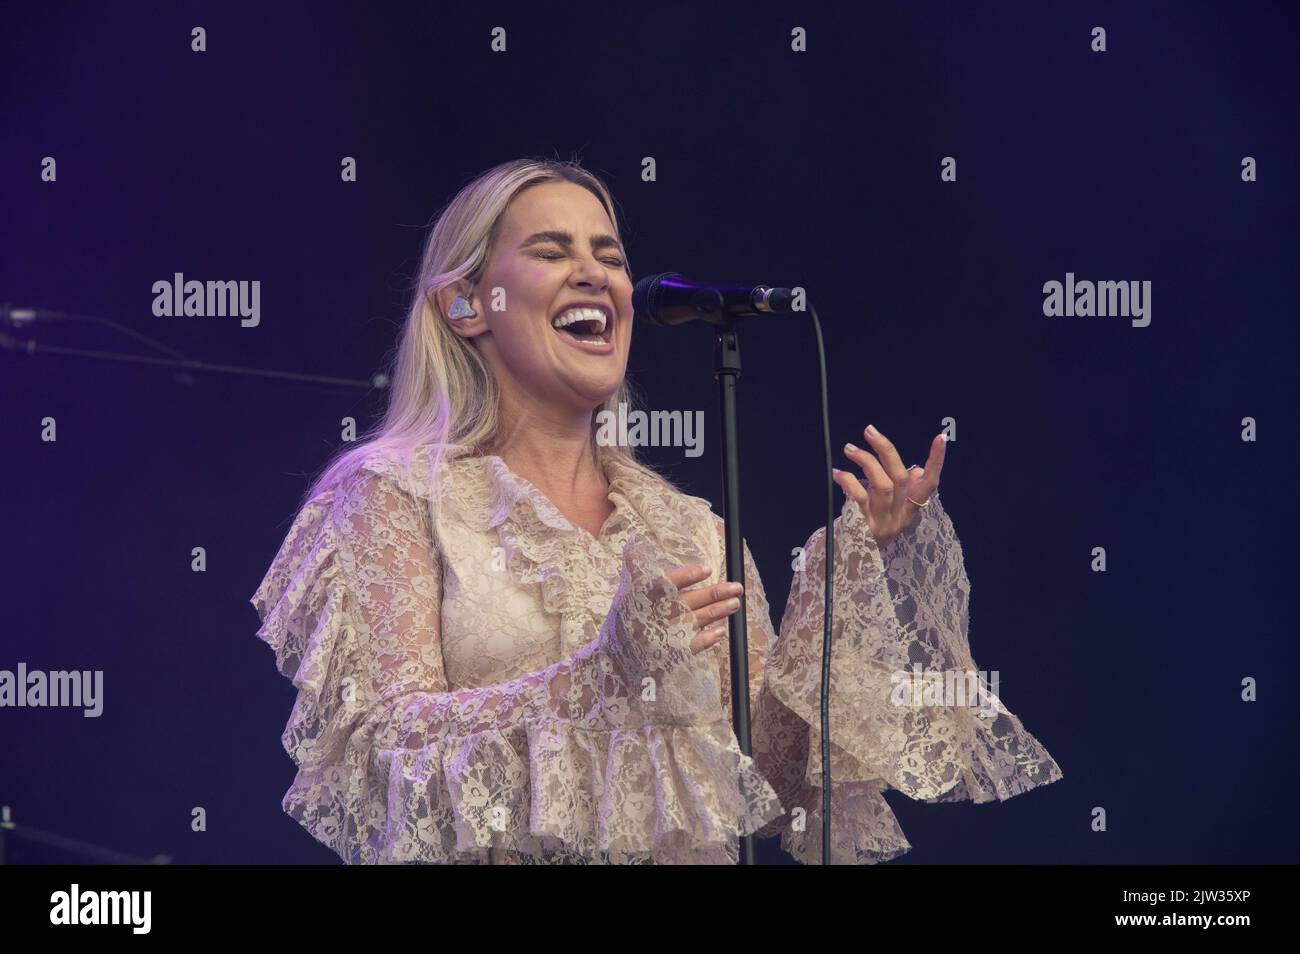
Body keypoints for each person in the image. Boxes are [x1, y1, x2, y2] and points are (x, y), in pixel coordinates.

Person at [249, 157, 1062, 865]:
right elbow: (379, 757)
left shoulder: (691, 532)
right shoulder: (393, 494)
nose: (595, 272)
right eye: (550, 250)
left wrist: (847, 579)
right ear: (468, 305)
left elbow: (767, 780)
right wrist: (601, 676)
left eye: (609, 254)